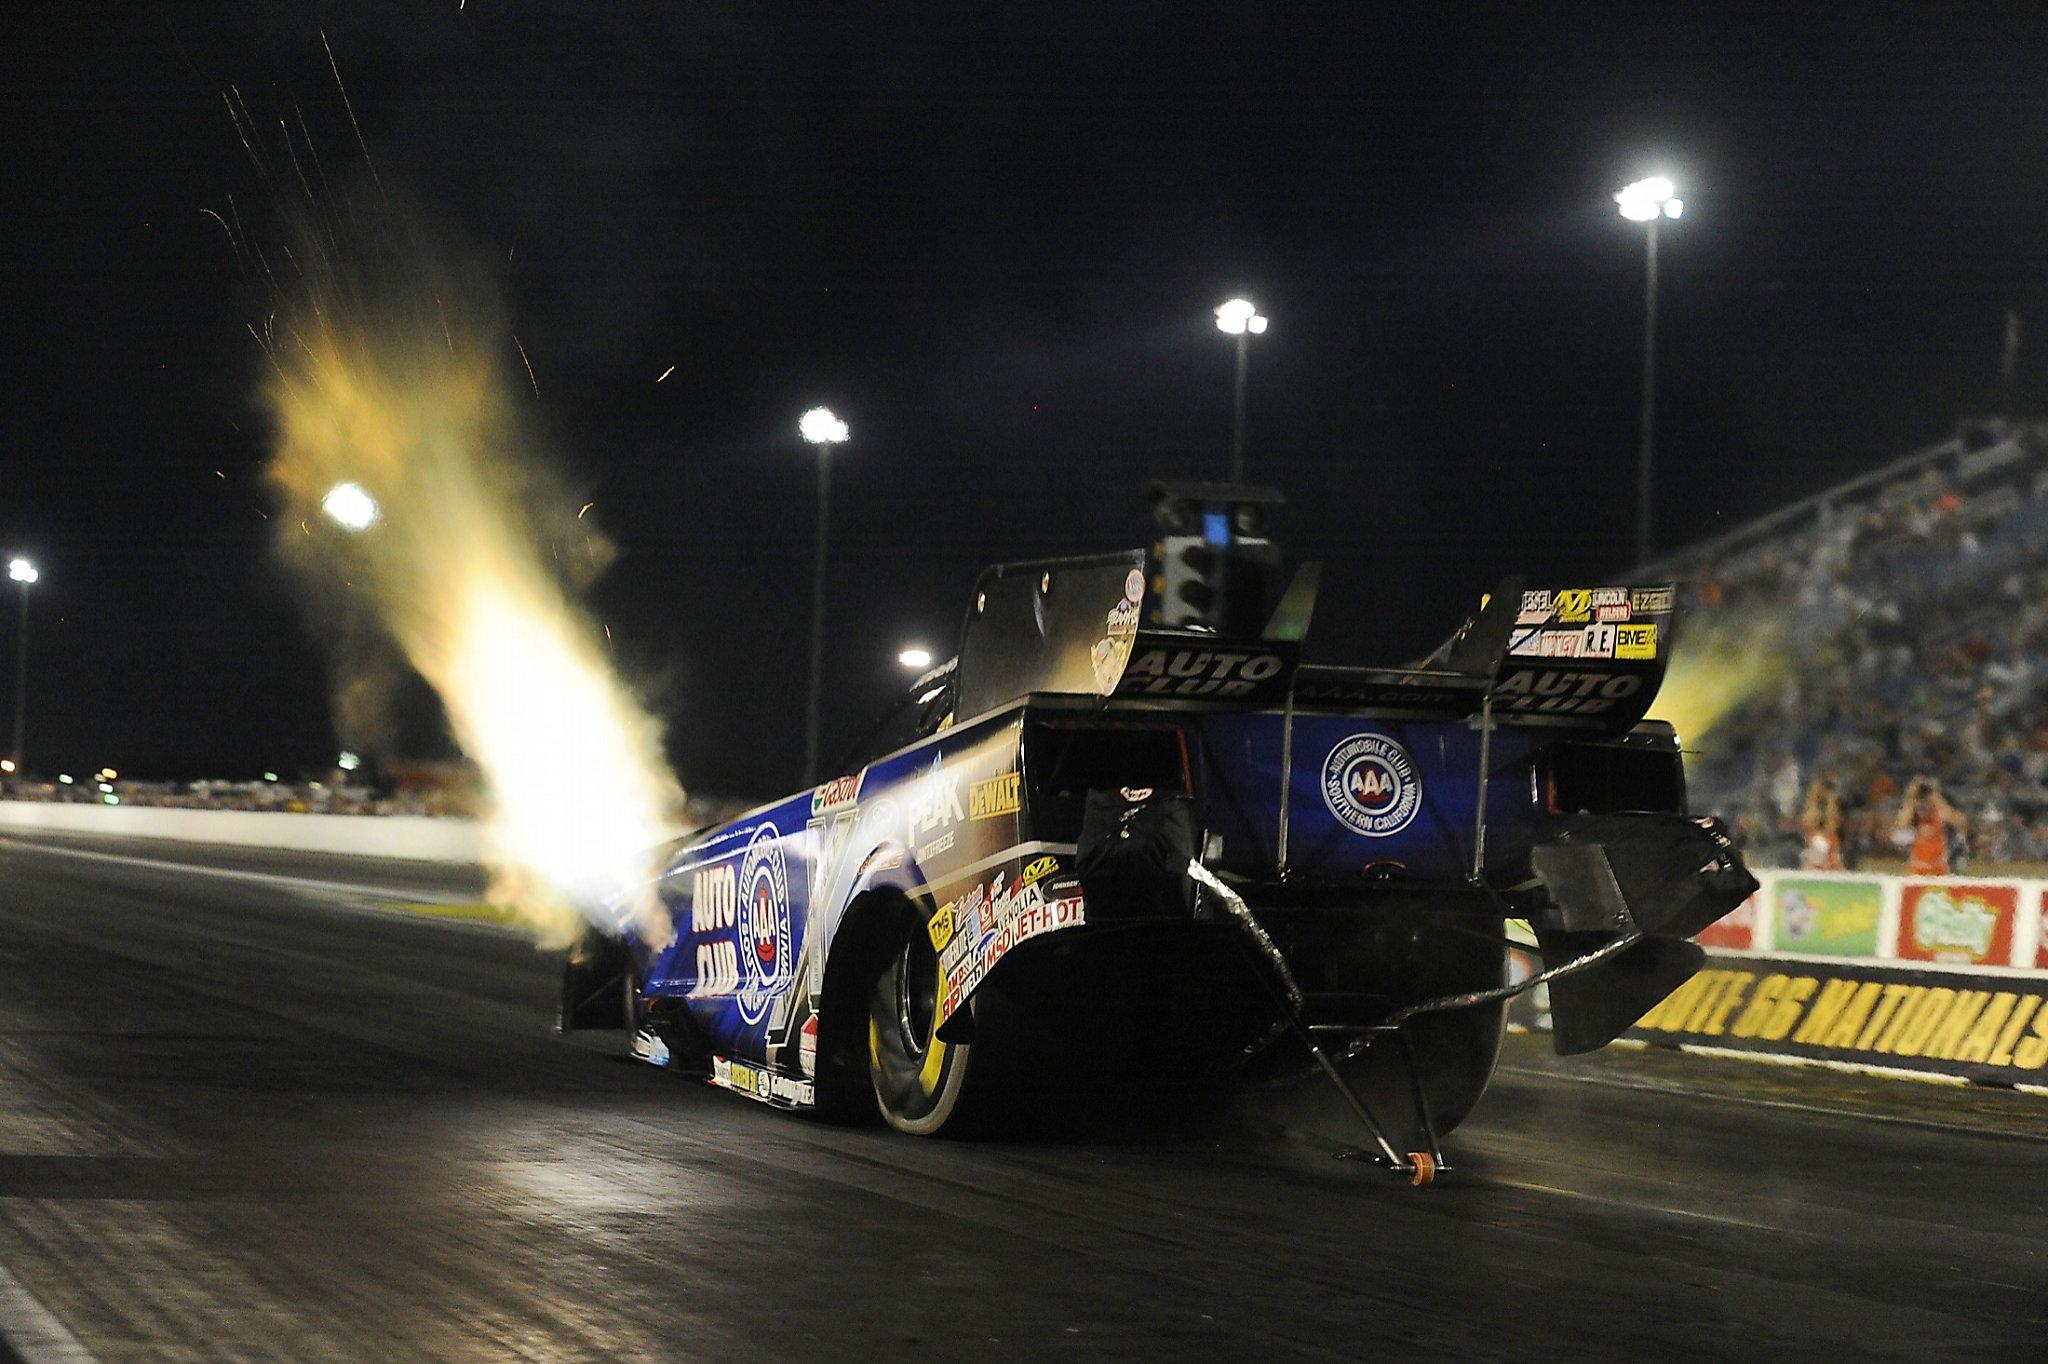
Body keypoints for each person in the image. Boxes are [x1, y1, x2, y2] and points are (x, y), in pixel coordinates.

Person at [1894, 776, 1965, 876]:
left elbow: (1958, 821)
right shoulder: (1913, 812)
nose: (1925, 801)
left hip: (1938, 867)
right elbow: (1902, 824)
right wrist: (1911, 799)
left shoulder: (1940, 810)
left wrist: (1937, 799)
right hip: (1918, 867)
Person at [1799, 777, 1846, 871]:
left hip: (1829, 865)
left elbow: (1836, 863)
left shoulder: (1832, 838)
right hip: (1814, 865)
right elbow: (1808, 820)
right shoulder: (1814, 836)